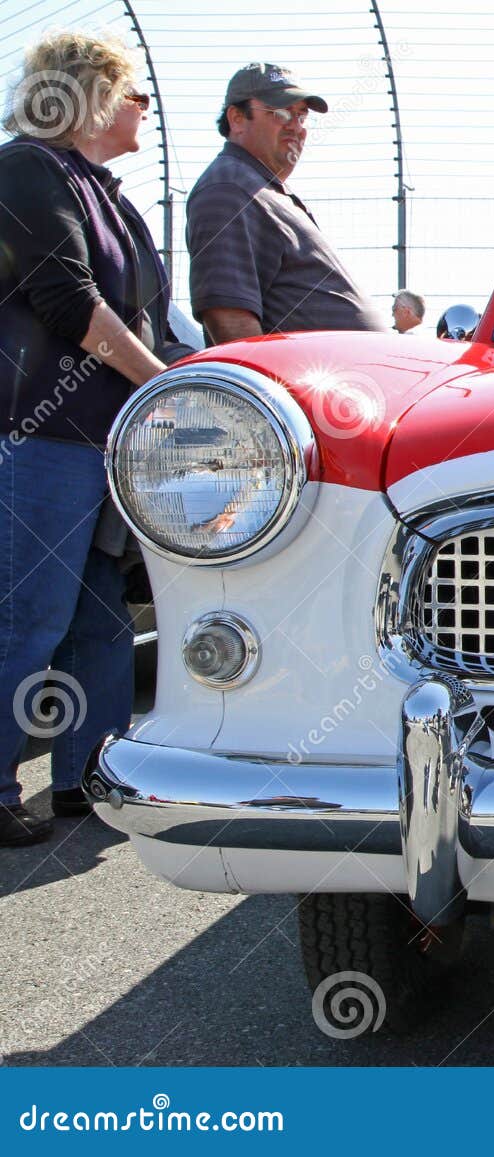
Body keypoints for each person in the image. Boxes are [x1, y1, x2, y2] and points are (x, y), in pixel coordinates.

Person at [0, 31, 184, 846]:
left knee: (101, 616)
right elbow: (68, 303)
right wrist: (167, 389)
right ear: (88, 95)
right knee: (28, 616)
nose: (143, 103)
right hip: (43, 435)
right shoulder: (28, 169)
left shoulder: (99, 187)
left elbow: (148, 311)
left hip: (101, 440)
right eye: (132, 88)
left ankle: (88, 772)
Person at [186, 64, 387, 343]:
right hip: (303, 382)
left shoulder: (258, 187)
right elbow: (229, 316)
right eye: (280, 113)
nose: (296, 126)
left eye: (301, 116)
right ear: (237, 119)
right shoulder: (228, 187)